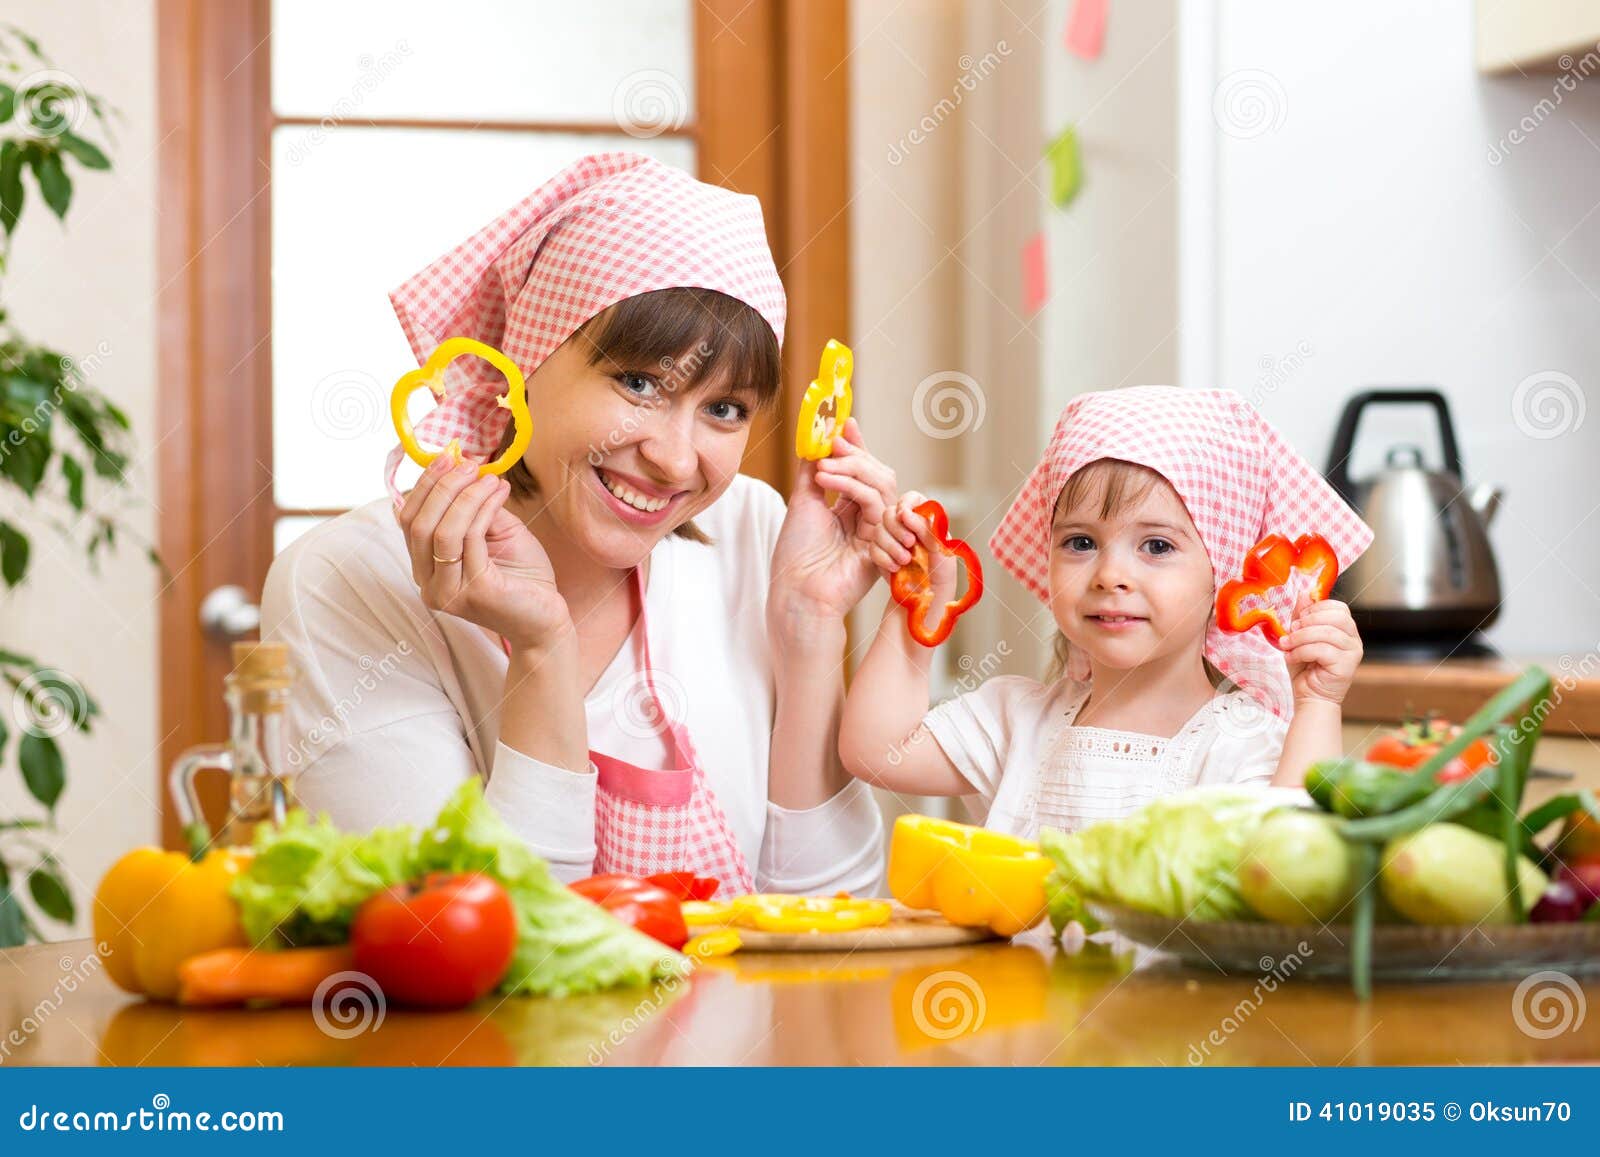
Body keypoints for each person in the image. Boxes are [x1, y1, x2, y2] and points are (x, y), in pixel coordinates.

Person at [262, 153, 896, 894]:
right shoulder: (347, 580)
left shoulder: (751, 532)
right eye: (637, 383)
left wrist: (811, 629)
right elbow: (447, 933)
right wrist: (540, 649)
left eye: (723, 408)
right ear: (523, 361)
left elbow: (830, 919)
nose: (673, 458)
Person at [838, 385, 1374, 837]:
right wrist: (916, 603)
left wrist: (1318, 704)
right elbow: (875, 750)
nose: (1108, 574)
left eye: (1157, 547)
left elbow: (1292, 862)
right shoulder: (1017, 719)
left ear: (1226, 573)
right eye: (1080, 542)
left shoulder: (1240, 744)